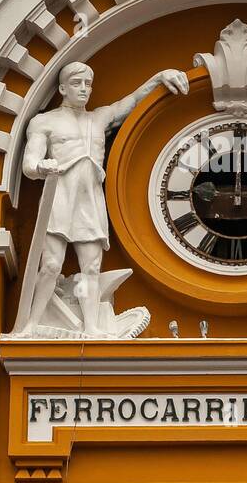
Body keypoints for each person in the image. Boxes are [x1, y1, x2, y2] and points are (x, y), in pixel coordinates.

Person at [18, 61, 188, 336]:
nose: (83, 89)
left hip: (90, 200)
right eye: (76, 84)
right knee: (50, 265)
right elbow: (29, 163)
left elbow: (131, 101)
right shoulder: (44, 122)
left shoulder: (98, 118)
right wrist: (41, 167)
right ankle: (31, 324)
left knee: (92, 267)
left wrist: (159, 77)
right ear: (62, 88)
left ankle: (92, 327)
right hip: (60, 196)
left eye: (87, 84)